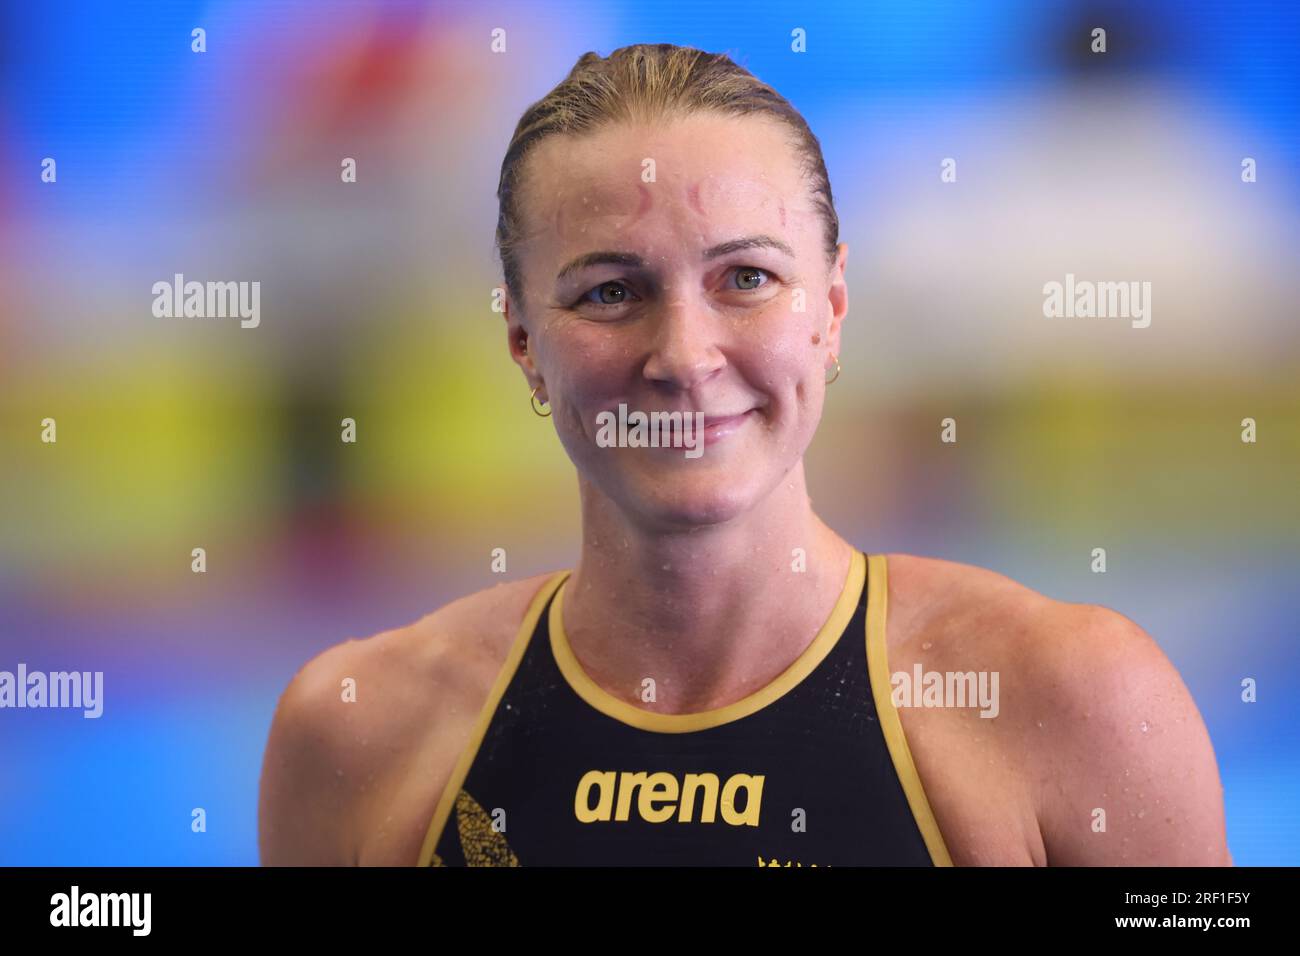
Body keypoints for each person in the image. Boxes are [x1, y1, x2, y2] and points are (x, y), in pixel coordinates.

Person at [258, 43, 1232, 866]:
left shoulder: (1071, 703)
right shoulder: (357, 731)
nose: (684, 356)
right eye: (608, 291)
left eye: (747, 277)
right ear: (522, 341)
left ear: (833, 310)